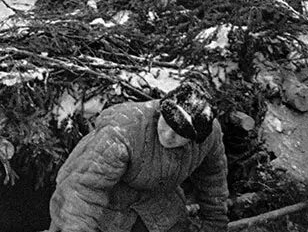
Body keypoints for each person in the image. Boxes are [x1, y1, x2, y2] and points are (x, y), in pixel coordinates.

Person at [49, 79, 228, 232]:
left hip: (159, 201)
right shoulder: (122, 133)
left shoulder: (209, 136)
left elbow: (213, 178)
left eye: (179, 134)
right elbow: (82, 190)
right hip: (106, 207)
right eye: (165, 123)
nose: (167, 135)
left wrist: (215, 223)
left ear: (194, 139)